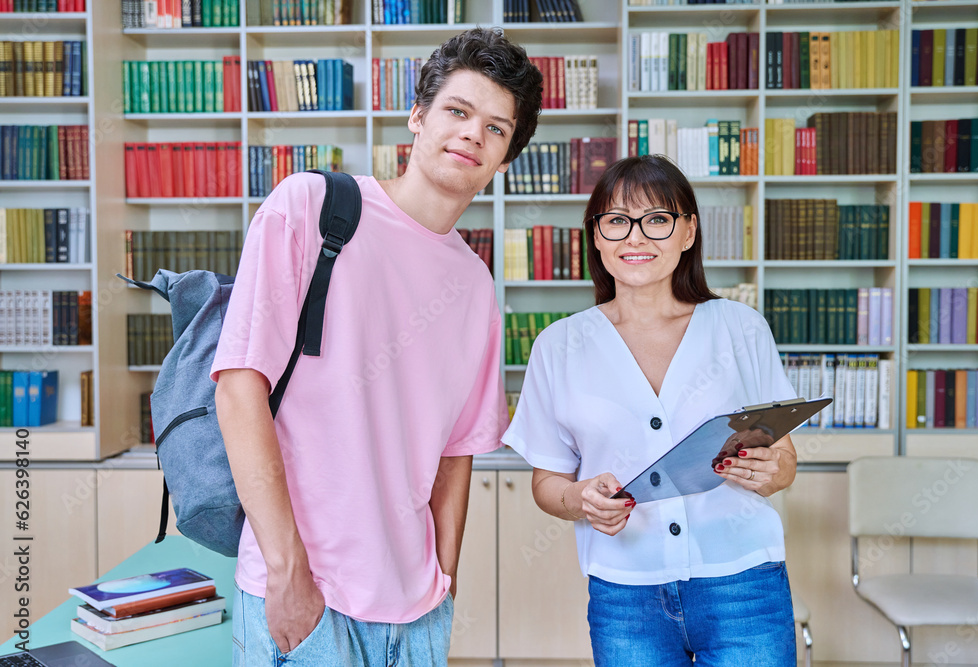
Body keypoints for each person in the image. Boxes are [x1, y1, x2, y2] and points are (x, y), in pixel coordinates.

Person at [212, 28, 543, 667]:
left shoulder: (475, 286)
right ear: (417, 116)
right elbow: (238, 388)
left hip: (416, 611)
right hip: (308, 593)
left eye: (497, 129)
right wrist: (286, 573)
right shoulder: (312, 208)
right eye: (458, 110)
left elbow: (456, 452)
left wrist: (443, 581)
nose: (474, 134)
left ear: (504, 159)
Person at [502, 154, 799, 666]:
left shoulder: (740, 327)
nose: (635, 238)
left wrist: (771, 471)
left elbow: (785, 459)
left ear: (688, 232)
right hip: (626, 595)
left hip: (743, 585)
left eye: (657, 220)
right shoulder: (559, 345)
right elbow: (547, 483)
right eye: (617, 221)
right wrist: (580, 498)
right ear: (595, 236)